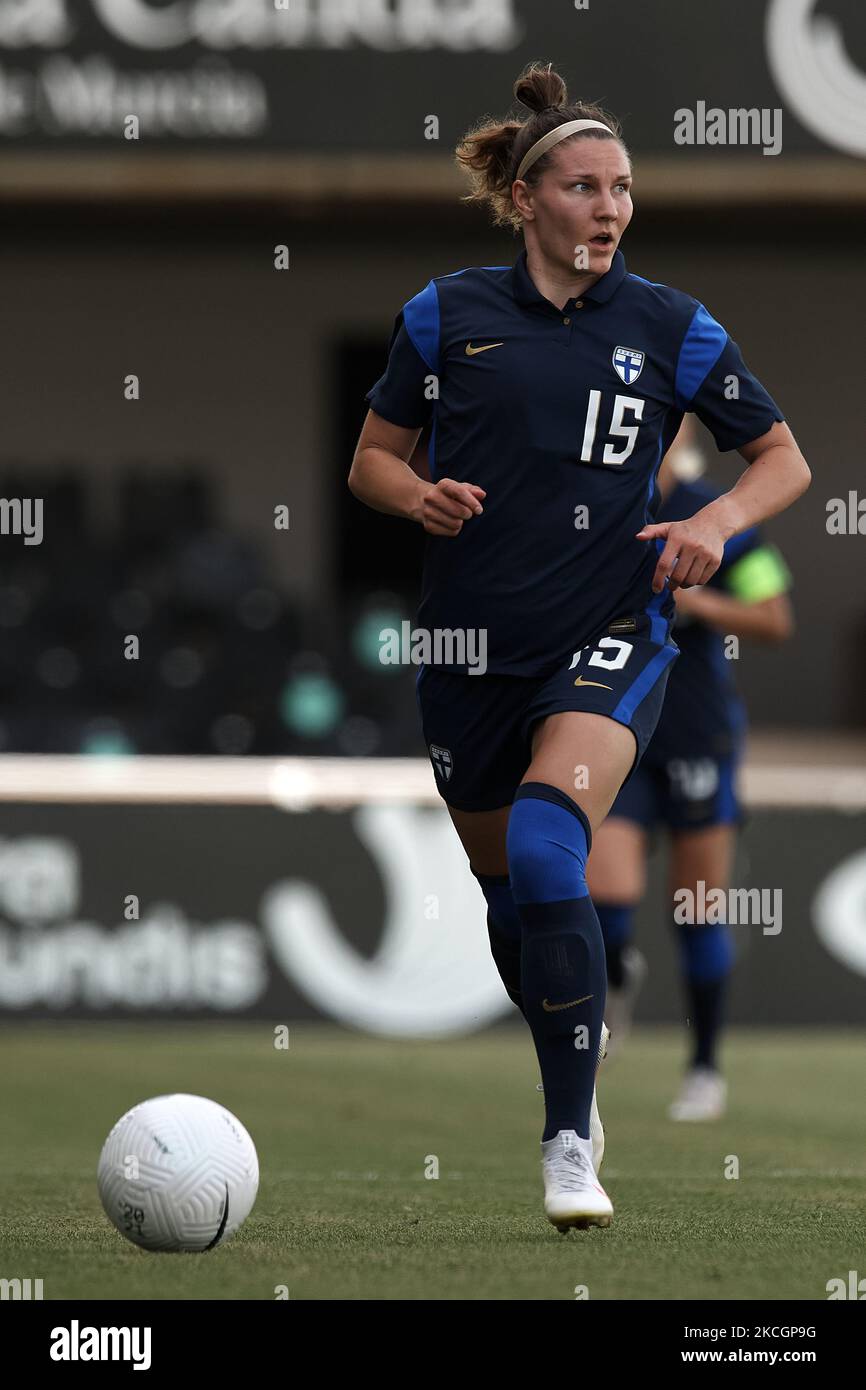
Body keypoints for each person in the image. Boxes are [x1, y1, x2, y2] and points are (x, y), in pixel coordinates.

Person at [349, 61, 810, 1232]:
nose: (609, 208)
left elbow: (782, 461)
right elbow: (370, 461)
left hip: (610, 631)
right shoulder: (443, 314)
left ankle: (565, 1135)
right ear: (525, 199)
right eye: (584, 188)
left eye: (623, 189)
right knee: (511, 895)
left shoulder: (672, 325)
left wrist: (710, 522)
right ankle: (572, 1071)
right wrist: (418, 501)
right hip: (466, 650)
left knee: (554, 849)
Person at [587, 417, 794, 1118]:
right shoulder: (597, 504)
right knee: (604, 895)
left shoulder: (723, 515)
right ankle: (615, 976)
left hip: (697, 733)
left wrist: (698, 601)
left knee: (697, 909)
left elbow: (775, 618)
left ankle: (704, 1067)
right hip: (617, 726)